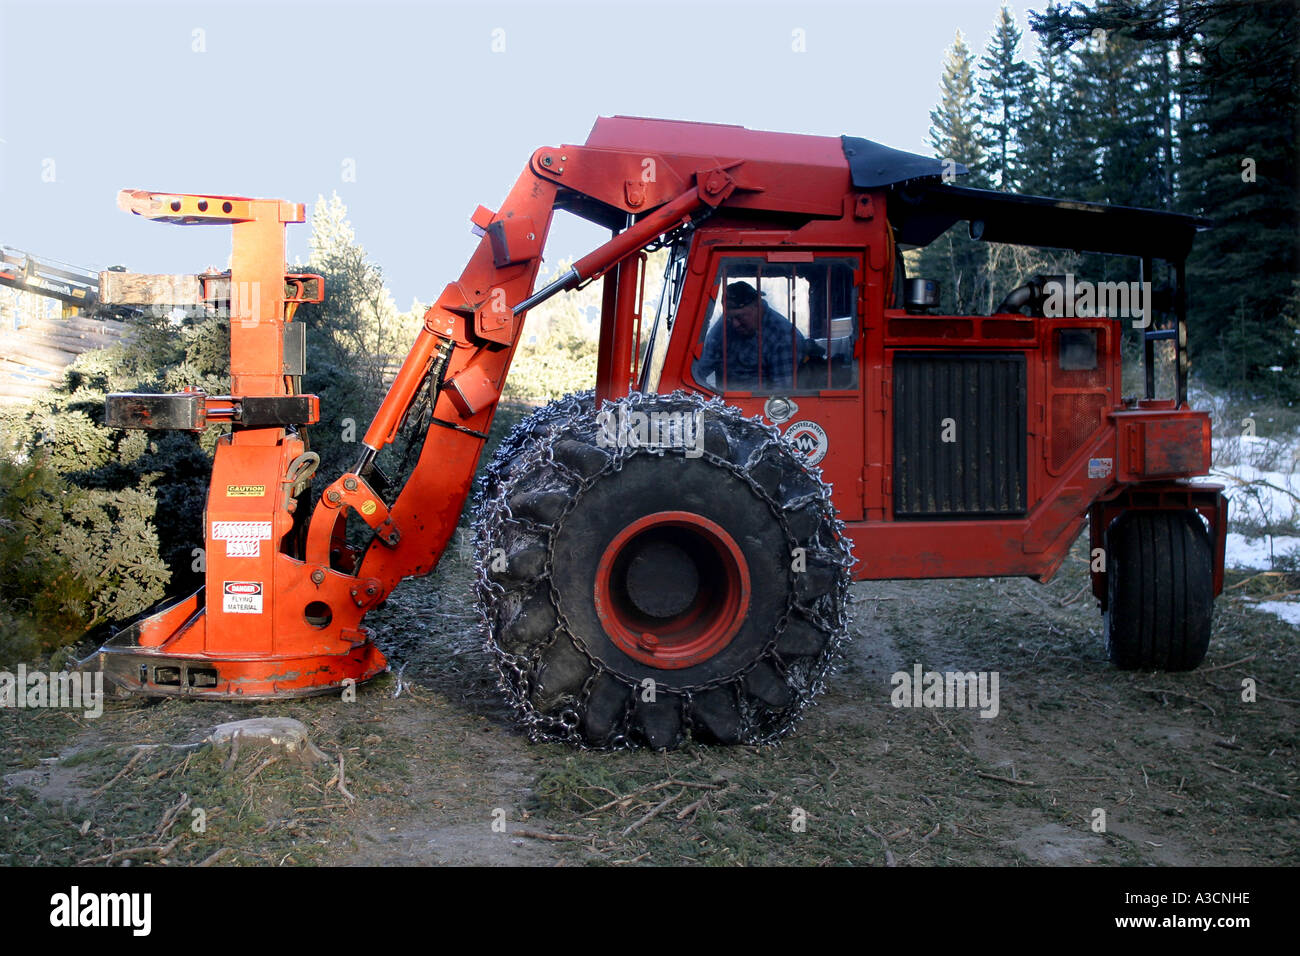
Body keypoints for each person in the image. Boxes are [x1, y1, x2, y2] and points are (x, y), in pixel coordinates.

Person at [692, 281, 818, 390]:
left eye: (740, 317)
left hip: (759, 410)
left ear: (758, 306)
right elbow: (702, 365)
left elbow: (782, 394)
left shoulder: (784, 338)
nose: (735, 324)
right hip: (721, 402)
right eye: (730, 318)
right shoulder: (726, 323)